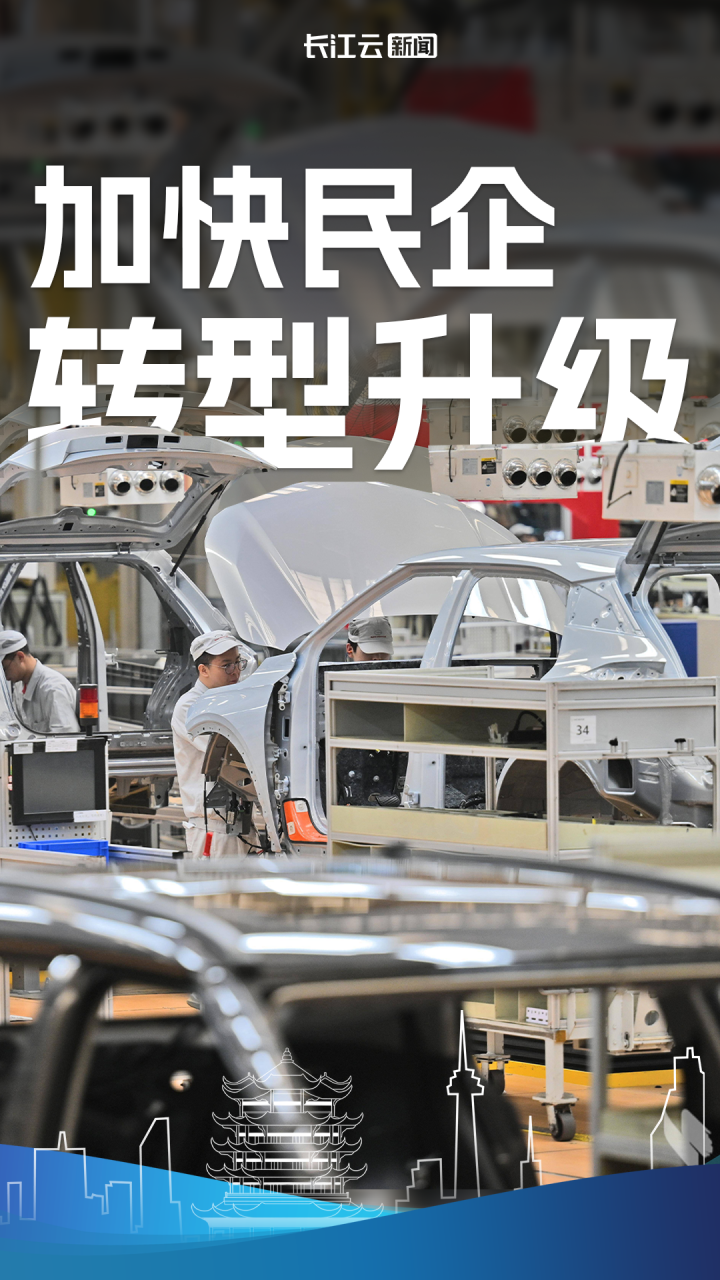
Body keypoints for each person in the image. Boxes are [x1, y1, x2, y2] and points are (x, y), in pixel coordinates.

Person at [171, 629, 255, 859]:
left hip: (242, 823)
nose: (235, 671)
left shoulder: (233, 700)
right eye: (226, 665)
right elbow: (231, 751)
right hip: (213, 829)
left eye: (238, 662)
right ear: (203, 670)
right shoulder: (190, 707)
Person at [0, 629, 80, 735]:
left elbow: (65, 736)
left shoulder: (53, 689)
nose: (4, 675)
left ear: (20, 657)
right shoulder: (19, 687)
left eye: (4, 668)